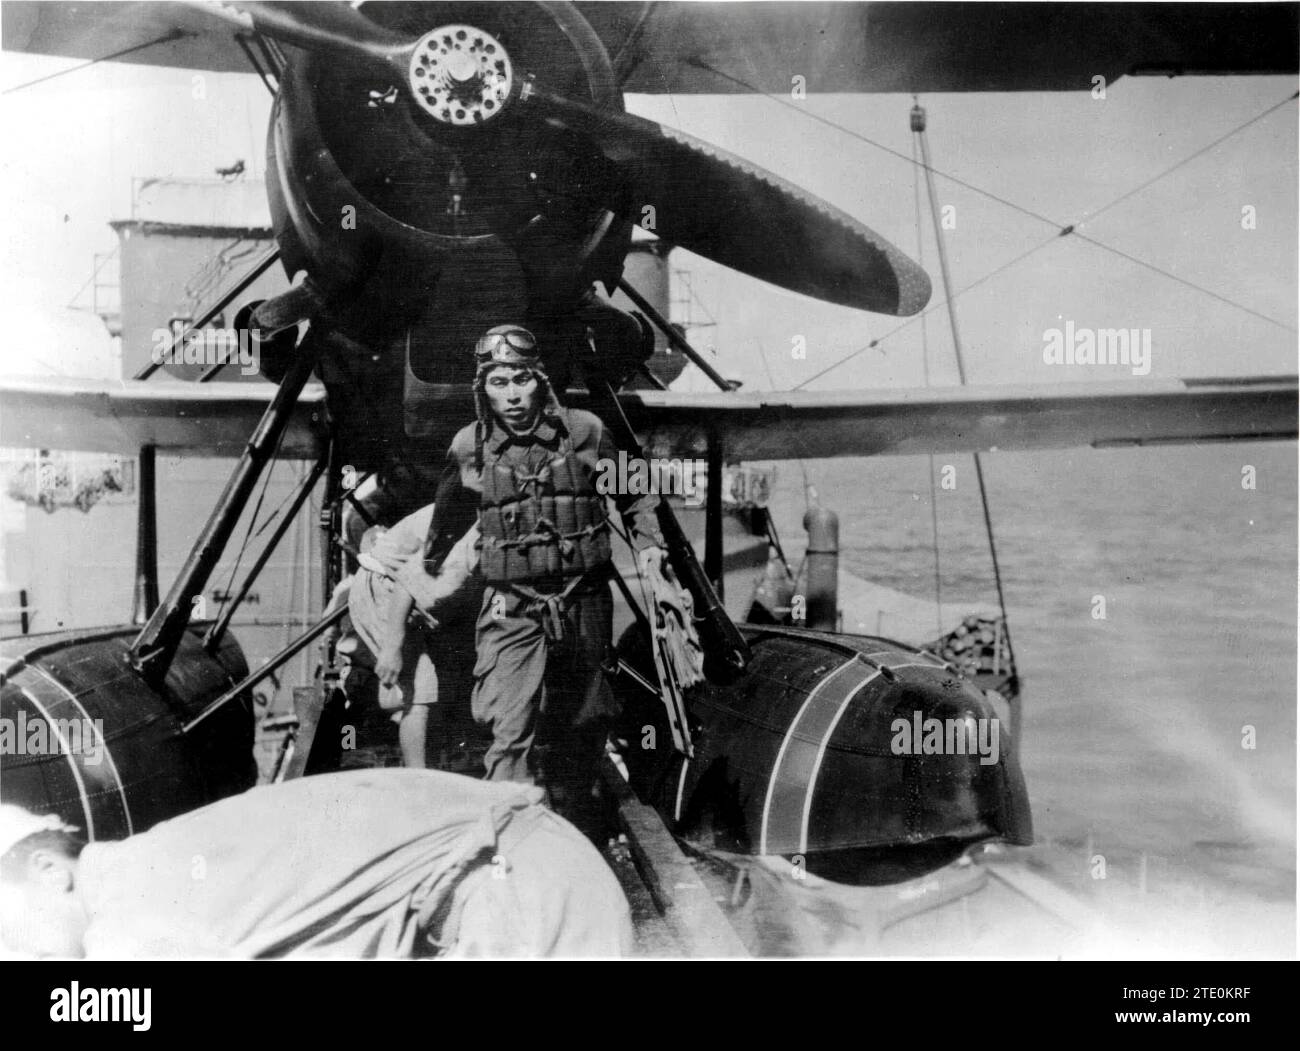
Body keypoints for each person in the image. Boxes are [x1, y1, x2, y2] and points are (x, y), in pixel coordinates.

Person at [0, 769, 632, 959]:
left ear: (52, 874)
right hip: (536, 871)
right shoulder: (152, 859)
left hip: (512, 898)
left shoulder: (119, 931)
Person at [437, 324, 665, 831]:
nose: (513, 395)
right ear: (483, 388)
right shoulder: (467, 446)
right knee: (507, 722)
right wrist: (427, 572)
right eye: (498, 382)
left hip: (582, 600)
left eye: (521, 379)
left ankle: (574, 820)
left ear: (540, 379)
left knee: (586, 720)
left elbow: (635, 492)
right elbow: (446, 513)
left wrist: (649, 549)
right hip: (511, 603)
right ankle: (506, 841)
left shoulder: (587, 431)